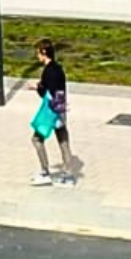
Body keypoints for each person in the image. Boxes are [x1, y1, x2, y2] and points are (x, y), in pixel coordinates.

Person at [31, 38, 79, 186]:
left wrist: (37, 87)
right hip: (60, 109)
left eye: (38, 52)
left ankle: (45, 172)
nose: (37, 55)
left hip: (51, 111)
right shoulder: (59, 69)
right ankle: (69, 175)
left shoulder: (48, 71)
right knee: (63, 141)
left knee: (36, 140)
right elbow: (59, 91)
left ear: (44, 52)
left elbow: (46, 91)